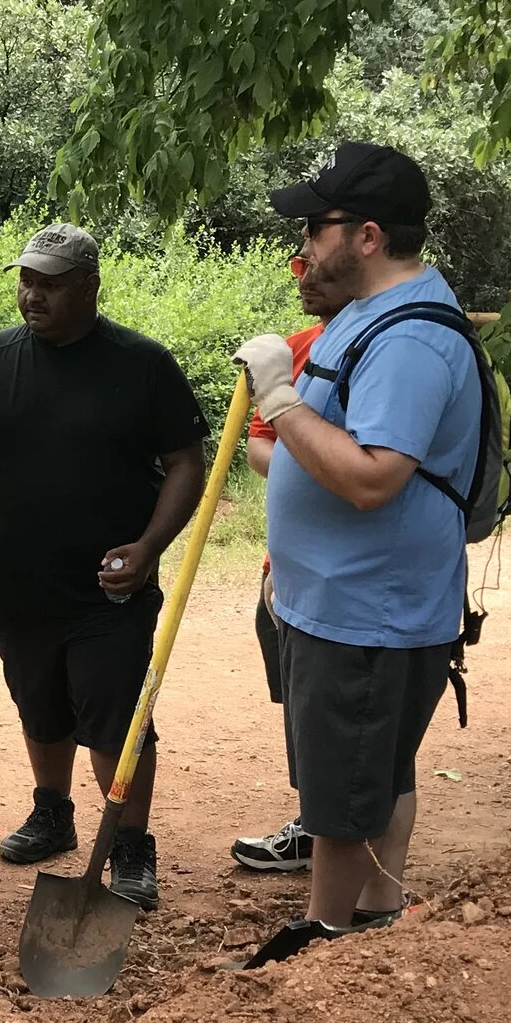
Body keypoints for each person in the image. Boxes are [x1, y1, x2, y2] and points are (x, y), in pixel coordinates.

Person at [0, 223, 209, 909]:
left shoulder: (141, 364)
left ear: (89, 287)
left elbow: (187, 463)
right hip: (18, 584)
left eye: (48, 283)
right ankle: (53, 812)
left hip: (110, 587)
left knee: (114, 720)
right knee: (40, 709)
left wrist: (149, 546)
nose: (31, 295)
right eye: (26, 280)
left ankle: (131, 846)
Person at [232, 141, 481, 964]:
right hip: (339, 599)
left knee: (342, 788)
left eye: (316, 224)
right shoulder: (368, 317)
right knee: (375, 769)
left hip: (369, 609)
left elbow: (373, 477)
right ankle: (378, 914)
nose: (304, 241)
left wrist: (278, 397)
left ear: (366, 235)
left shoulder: (411, 340)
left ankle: (324, 940)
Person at [231, 319, 323, 877]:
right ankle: (315, 823)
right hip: (287, 562)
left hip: (349, 571)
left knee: (341, 704)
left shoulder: (394, 345)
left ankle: (347, 840)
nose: (307, 269)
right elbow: (259, 447)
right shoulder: (293, 348)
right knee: (300, 701)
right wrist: (312, 463)